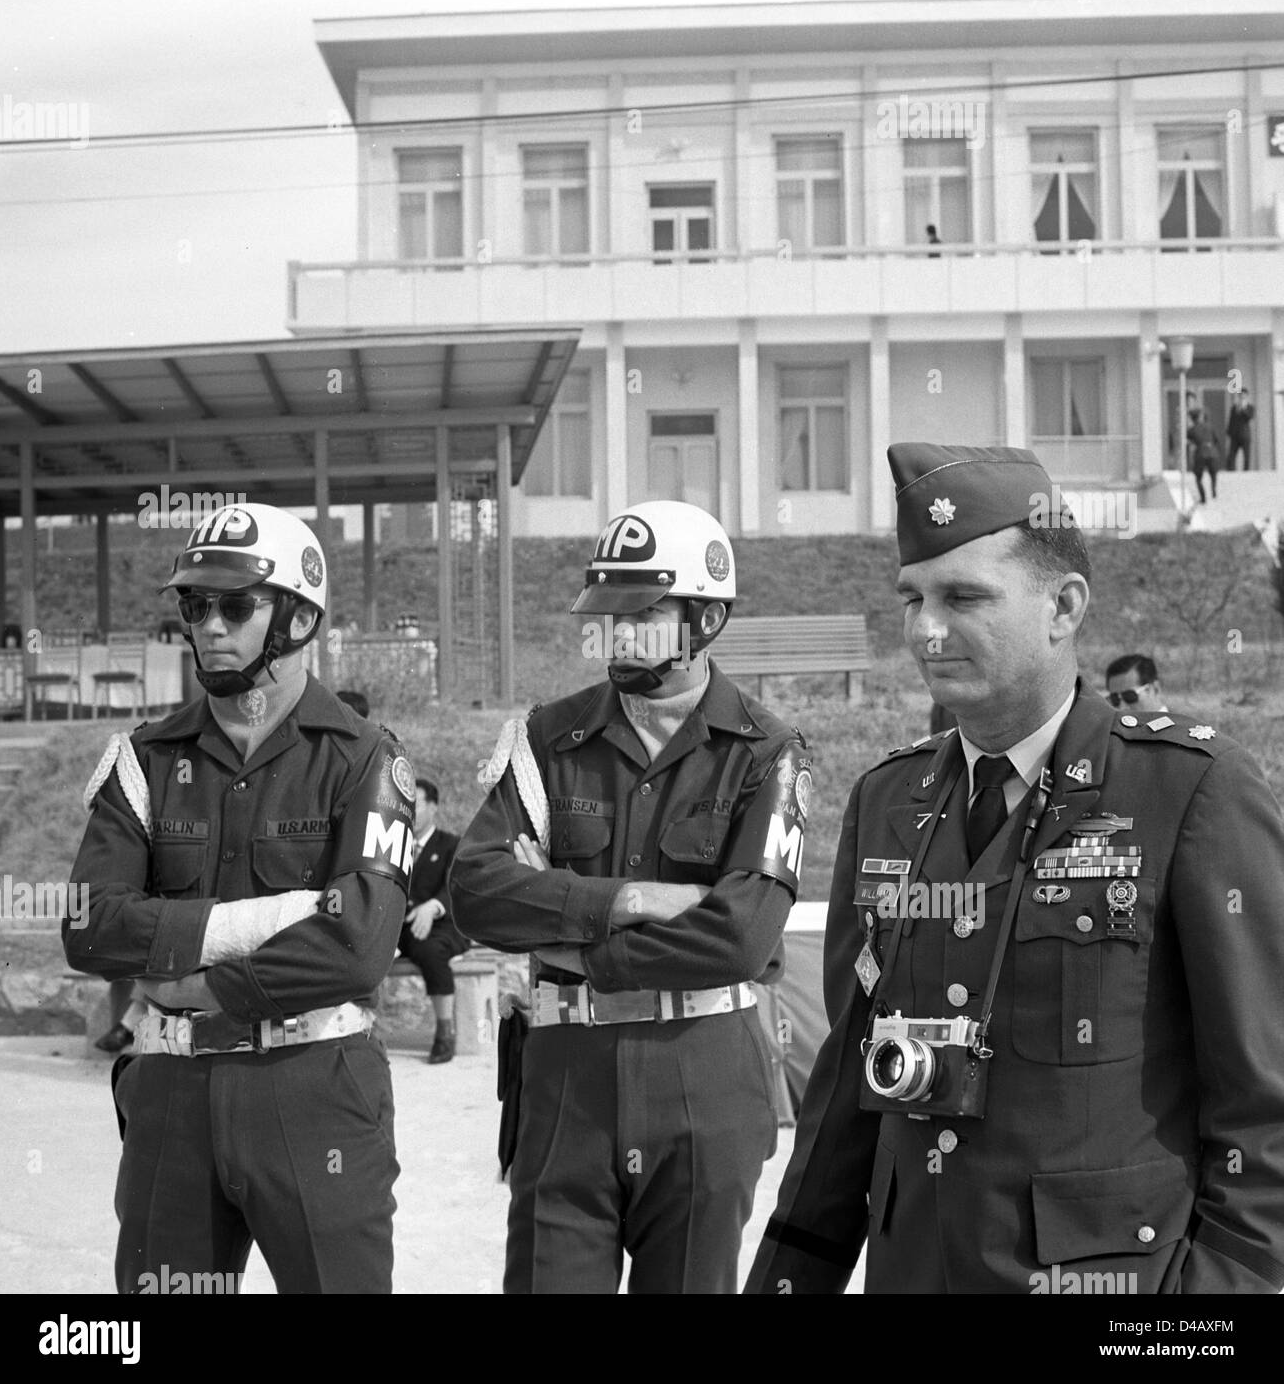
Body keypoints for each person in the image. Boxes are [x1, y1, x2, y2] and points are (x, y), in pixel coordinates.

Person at [746, 442, 1284, 1295]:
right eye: (912, 598)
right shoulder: (887, 801)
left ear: (1062, 606)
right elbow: (845, 1094)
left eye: (963, 597)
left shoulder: (1189, 792)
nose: (925, 629)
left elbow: (1263, 1107)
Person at [450, 499, 809, 1294]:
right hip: (563, 1080)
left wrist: (567, 940)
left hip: (704, 1079)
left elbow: (739, 939)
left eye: (640, 612)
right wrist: (635, 898)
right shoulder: (549, 736)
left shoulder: (766, 752)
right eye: (606, 610)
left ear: (707, 617)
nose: (615, 631)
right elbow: (474, 889)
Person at [64, 502, 416, 1295]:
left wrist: (195, 980)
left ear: (295, 617)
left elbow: (359, 946)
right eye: (195, 605)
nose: (208, 626)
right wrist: (272, 921)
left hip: (314, 1088)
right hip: (172, 1097)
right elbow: (89, 929)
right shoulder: (142, 761)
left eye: (234, 605)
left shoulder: (364, 760)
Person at [396, 770, 465, 1064]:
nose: (409, 808)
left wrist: (432, 906)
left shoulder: (451, 844)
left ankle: (444, 1032)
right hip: (400, 927)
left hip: (443, 927)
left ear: (433, 806)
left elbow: (457, 886)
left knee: (431, 950)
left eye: (416, 802)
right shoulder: (394, 843)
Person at [1187, 406, 1222, 503]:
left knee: (1198, 478)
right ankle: (1214, 491)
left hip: (1200, 454)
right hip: (1212, 452)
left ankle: (1203, 498)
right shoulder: (1210, 427)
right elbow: (1216, 440)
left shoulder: (1191, 429)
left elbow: (1187, 440)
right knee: (1213, 474)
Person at [1226, 390, 1254, 472]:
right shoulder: (1234, 407)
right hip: (1234, 435)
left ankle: (1246, 471)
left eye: (1243, 395)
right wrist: (1229, 432)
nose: (1242, 396)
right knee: (1231, 455)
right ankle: (1231, 471)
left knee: (1246, 456)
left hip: (1245, 435)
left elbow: (1249, 417)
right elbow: (1231, 420)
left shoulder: (1250, 407)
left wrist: (1243, 408)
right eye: (1240, 395)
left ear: (1246, 396)